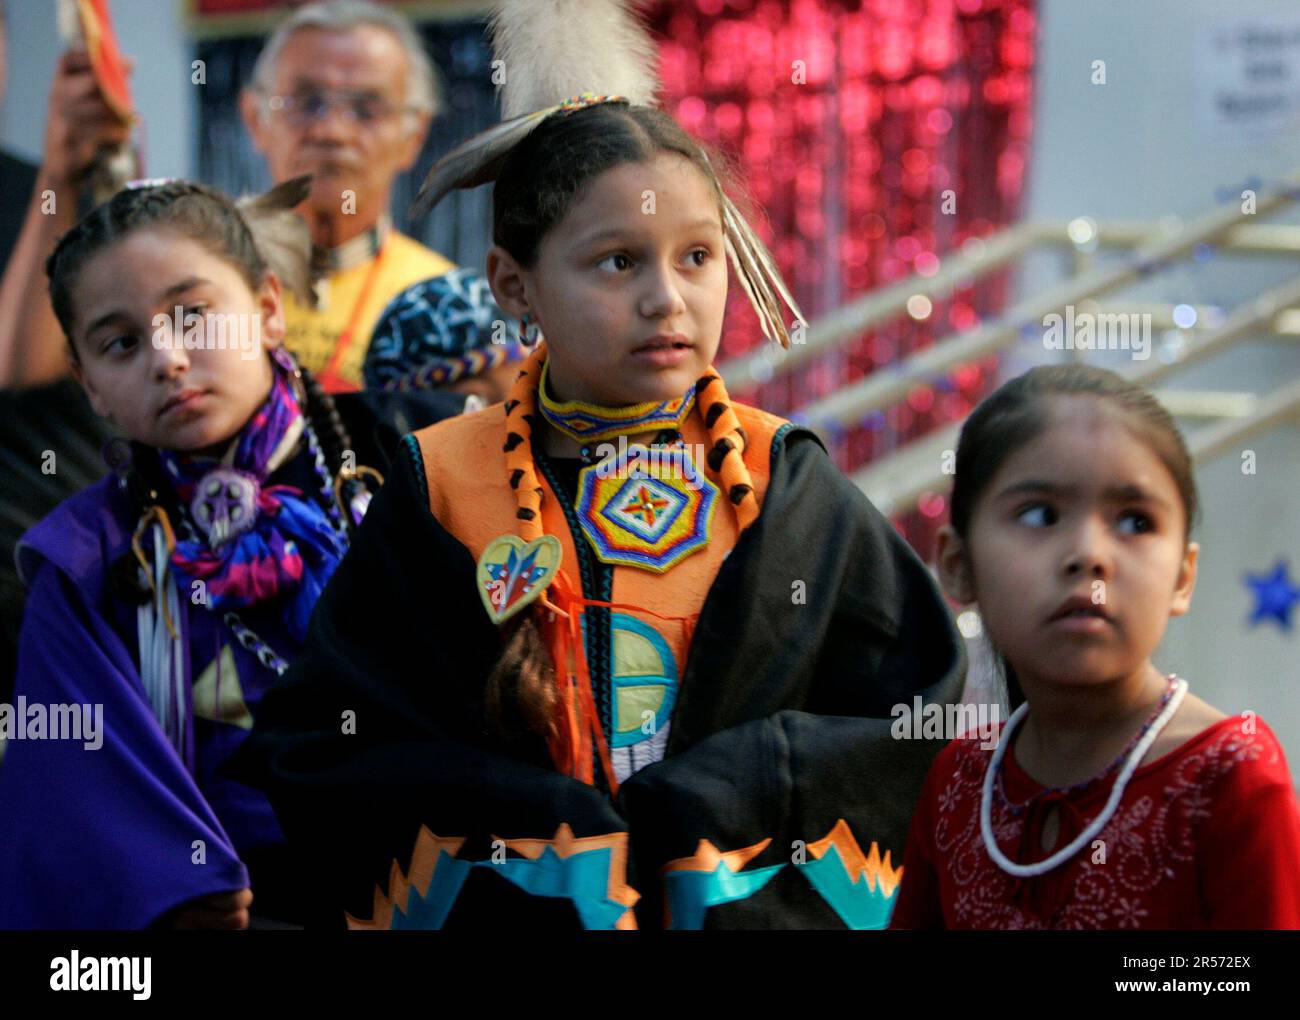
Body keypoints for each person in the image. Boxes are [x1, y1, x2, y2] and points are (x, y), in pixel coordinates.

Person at [229, 0, 964, 931]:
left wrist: (739, 785)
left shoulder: (784, 480)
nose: (669, 298)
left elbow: (914, 716)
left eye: (698, 256)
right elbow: (331, 744)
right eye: (617, 262)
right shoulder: (443, 483)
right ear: (513, 284)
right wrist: (535, 820)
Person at [0, 177, 463, 929]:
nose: (169, 358)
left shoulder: (420, 456)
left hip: (454, 870)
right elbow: (74, 788)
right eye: (121, 343)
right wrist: (177, 891)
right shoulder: (89, 565)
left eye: (193, 316)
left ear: (269, 310)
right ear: (90, 387)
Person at [889, 364, 1300, 929]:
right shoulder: (960, 781)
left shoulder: (1231, 776)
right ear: (959, 568)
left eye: (1134, 521)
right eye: (1040, 514)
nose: (1089, 554)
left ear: (1182, 576)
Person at [241, 0, 474, 394]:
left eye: (366, 110)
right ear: (255, 119)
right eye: (307, 102)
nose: (332, 131)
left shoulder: (443, 306)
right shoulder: (211, 285)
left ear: (412, 137)